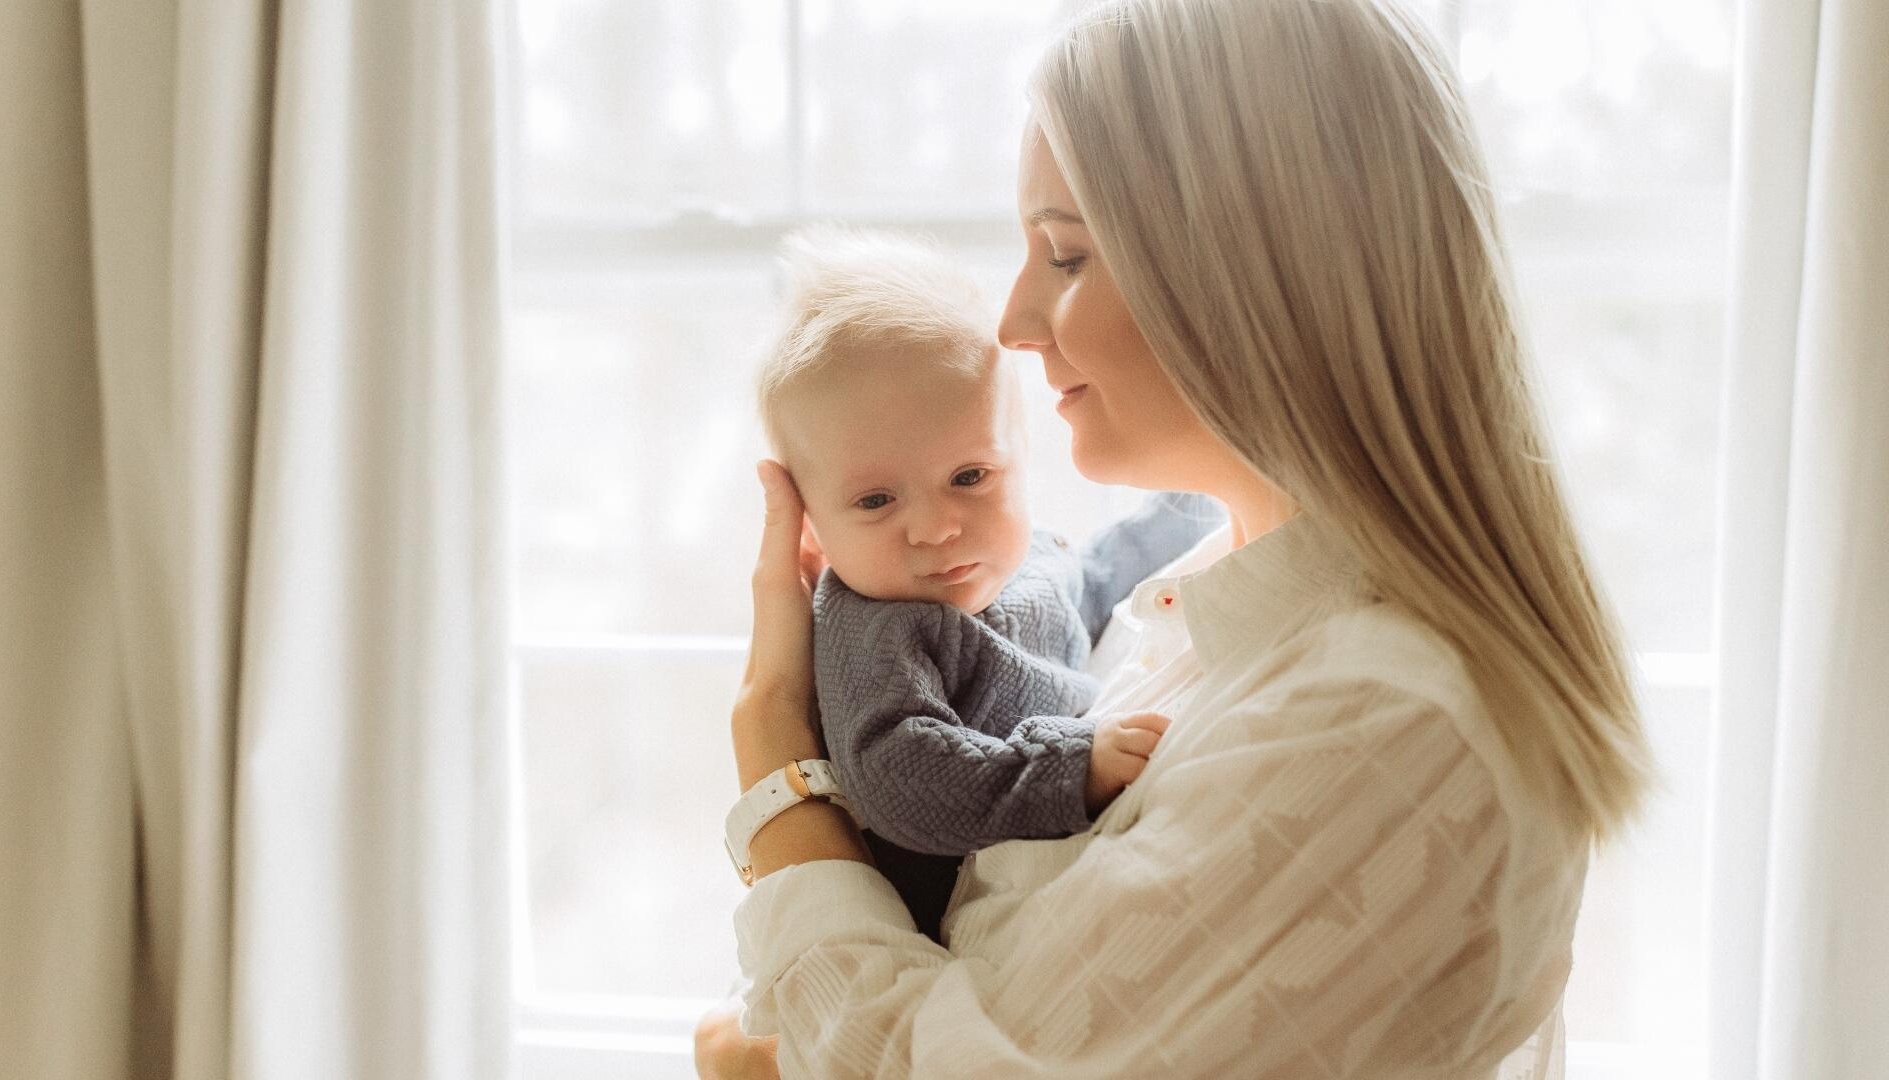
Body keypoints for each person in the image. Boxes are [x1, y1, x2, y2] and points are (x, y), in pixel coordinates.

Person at [699, 0, 1655, 1075]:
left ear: (1256, 277)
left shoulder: (1381, 724)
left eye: (1063, 256)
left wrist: (777, 767)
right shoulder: (1197, 605)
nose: (1011, 324)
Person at [751, 226, 1224, 942]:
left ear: (1019, 458)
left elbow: (1096, 584)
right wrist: (1069, 767)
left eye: (970, 478)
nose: (938, 528)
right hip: (922, 942)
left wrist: (1199, 491)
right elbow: (902, 775)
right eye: (877, 501)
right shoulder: (877, 627)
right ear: (811, 529)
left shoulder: (1028, 561)